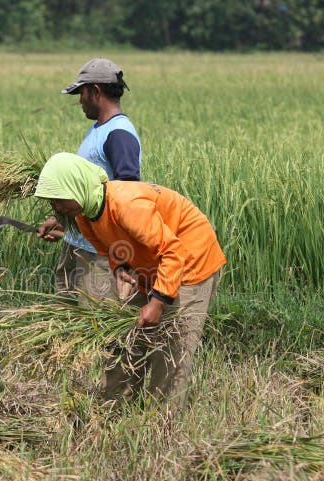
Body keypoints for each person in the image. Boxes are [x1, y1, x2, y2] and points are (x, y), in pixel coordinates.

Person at [35, 152, 226, 411]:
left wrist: (157, 303)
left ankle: (163, 421)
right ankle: (113, 410)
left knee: (171, 348)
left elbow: (173, 252)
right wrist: (121, 267)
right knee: (125, 340)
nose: (57, 208)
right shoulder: (85, 215)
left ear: (76, 186)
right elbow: (110, 246)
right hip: (154, 263)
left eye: (59, 199)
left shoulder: (127, 204)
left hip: (191, 262)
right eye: (52, 202)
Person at [40, 58, 142, 304]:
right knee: (65, 316)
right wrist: (64, 221)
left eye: (81, 93)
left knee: (95, 319)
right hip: (78, 244)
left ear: (95, 91)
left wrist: (123, 257)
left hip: (100, 255)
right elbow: (87, 194)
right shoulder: (98, 129)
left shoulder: (119, 134)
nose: (80, 101)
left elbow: (128, 195)